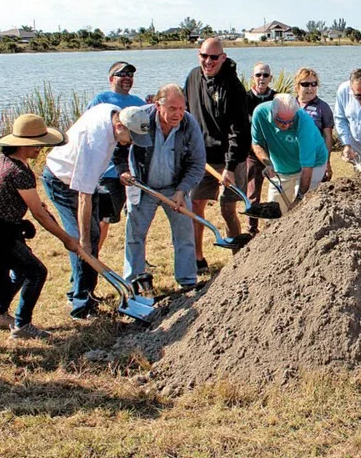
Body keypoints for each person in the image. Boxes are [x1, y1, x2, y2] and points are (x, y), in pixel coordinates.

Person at [0, 114, 79, 340]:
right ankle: (22, 325)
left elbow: (34, 203)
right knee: (36, 271)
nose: (39, 148)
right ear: (20, 144)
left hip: (2, 228)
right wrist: (66, 238)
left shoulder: (8, 162)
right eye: (35, 144)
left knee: (22, 271)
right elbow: (39, 214)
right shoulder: (18, 172)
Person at [42, 102, 135, 319]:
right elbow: (83, 197)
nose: (131, 144)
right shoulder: (96, 144)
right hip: (62, 181)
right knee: (84, 241)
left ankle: (80, 291)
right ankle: (81, 306)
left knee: (91, 238)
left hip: (80, 179)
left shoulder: (112, 110)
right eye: (131, 138)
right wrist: (83, 240)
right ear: (120, 126)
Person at [116, 86, 206, 292]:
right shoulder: (140, 118)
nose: (178, 114)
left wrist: (183, 190)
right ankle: (133, 284)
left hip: (175, 188)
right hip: (142, 187)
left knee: (184, 234)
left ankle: (187, 281)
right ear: (158, 105)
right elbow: (119, 145)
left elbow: (197, 163)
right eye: (173, 108)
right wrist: (122, 171)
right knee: (134, 236)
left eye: (182, 108)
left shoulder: (188, 124)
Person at [184, 38, 250, 273]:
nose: (208, 61)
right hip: (201, 157)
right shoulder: (192, 78)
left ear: (223, 57)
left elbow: (239, 131)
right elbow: (188, 116)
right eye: (204, 56)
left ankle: (239, 260)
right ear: (198, 55)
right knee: (195, 205)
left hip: (228, 158)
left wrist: (230, 167)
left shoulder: (233, 87)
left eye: (214, 57)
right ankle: (197, 259)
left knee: (227, 208)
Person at [87, 61, 145, 250]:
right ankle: (92, 255)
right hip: (109, 172)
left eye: (131, 75)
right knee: (104, 219)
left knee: (135, 216)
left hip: (134, 171)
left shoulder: (138, 103)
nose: (128, 78)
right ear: (111, 79)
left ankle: (136, 256)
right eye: (122, 74)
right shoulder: (101, 100)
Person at [251, 94, 328, 210]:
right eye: (281, 122)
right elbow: (257, 144)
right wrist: (268, 164)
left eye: (290, 122)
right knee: (275, 210)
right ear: (272, 113)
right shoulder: (260, 113)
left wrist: (299, 200)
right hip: (281, 167)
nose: (286, 126)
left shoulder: (304, 122)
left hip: (313, 164)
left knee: (304, 209)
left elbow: (307, 168)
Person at [245, 62, 275, 234]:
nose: (261, 79)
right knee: (253, 193)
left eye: (265, 75)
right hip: (252, 153)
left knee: (277, 189)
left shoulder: (277, 98)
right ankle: (252, 229)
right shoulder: (245, 98)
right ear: (253, 77)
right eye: (258, 75)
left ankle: (277, 225)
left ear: (270, 78)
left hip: (276, 152)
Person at [295, 67, 334, 180]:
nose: (310, 88)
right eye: (305, 84)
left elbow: (328, 137)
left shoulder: (323, 107)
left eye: (314, 84)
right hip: (293, 159)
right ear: (297, 86)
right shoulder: (290, 104)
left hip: (315, 159)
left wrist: (327, 162)